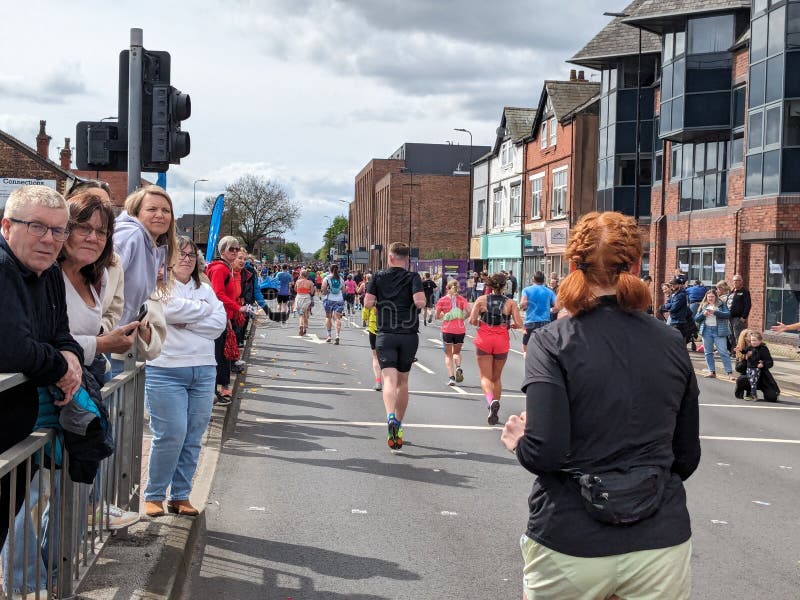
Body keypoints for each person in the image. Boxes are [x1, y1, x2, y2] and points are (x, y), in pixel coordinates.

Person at [501, 211, 700, 600]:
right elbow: (686, 456)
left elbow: (545, 452)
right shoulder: (672, 342)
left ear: (574, 265)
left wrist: (520, 440)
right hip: (659, 542)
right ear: (637, 265)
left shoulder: (551, 342)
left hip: (571, 538)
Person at [0, 186, 84, 550]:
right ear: (7, 226)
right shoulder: (3, 269)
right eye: (36, 226)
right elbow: (12, 350)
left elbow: (61, 332)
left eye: (58, 230)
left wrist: (71, 356)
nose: (48, 239)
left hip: (19, 429)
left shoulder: (48, 272)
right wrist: (61, 365)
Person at [143, 237, 226, 517]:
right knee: (171, 434)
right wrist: (202, 312)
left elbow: (219, 324)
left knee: (192, 437)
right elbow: (165, 311)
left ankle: (180, 495)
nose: (187, 259)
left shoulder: (205, 288)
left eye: (192, 254)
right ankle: (155, 494)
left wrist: (185, 321)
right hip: (165, 369)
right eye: (181, 253)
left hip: (204, 369)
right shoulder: (158, 284)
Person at [364, 242, 425, 449]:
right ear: (406, 259)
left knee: (389, 379)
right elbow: (420, 302)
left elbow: (367, 303)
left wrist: (381, 301)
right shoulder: (413, 277)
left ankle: (390, 417)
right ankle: (398, 425)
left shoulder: (378, 277)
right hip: (408, 335)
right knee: (403, 381)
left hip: (386, 334)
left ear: (390, 257)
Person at [114, 185, 178, 326]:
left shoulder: (152, 247)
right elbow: (103, 284)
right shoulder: (130, 235)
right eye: (152, 209)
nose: (160, 215)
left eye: (166, 210)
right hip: (103, 332)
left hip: (120, 334)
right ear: (136, 213)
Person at [469, 272, 523, 425]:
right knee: (496, 377)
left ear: (490, 286)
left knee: (485, 377)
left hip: (484, 339)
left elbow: (472, 320)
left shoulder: (481, 300)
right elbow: (519, 324)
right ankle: (495, 406)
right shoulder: (511, 303)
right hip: (501, 340)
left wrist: (481, 323)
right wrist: (511, 325)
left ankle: (491, 401)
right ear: (505, 286)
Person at [206, 236, 249, 405]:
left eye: (237, 249)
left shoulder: (225, 268)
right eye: (231, 249)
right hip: (216, 318)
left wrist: (229, 317)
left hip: (222, 317)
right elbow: (218, 294)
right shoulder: (220, 269)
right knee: (217, 356)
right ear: (222, 250)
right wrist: (237, 308)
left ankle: (215, 391)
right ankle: (212, 393)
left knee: (220, 356)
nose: (235, 252)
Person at [693, 288, 734, 379]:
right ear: (706, 297)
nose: (710, 298)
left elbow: (728, 315)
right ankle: (711, 371)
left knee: (723, 352)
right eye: (709, 297)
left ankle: (729, 373)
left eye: (712, 297)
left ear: (716, 297)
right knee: (708, 352)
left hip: (719, 331)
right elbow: (696, 319)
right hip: (706, 330)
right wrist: (703, 314)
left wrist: (715, 312)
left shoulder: (721, 304)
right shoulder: (703, 305)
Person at [435, 279, 469, 386]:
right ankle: (458, 367)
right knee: (457, 353)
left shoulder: (442, 300)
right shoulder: (462, 299)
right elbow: (469, 312)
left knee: (448, 355)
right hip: (460, 330)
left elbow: (437, 316)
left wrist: (444, 316)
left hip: (447, 330)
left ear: (447, 288)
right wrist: (462, 318)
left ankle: (452, 378)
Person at [735, 331, 780, 402]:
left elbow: (770, 362)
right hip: (750, 376)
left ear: (760, 340)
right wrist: (746, 358)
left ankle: (772, 391)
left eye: (755, 340)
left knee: (772, 397)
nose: (753, 342)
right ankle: (750, 392)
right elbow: (738, 368)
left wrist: (763, 364)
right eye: (752, 340)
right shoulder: (747, 349)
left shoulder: (763, 349)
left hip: (762, 377)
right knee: (741, 380)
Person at [519, 271, 557, 355]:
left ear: (533, 279)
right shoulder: (549, 291)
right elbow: (558, 306)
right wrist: (550, 310)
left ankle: (527, 358)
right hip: (545, 323)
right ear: (544, 280)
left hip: (530, 322)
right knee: (544, 347)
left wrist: (522, 306)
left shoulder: (526, 290)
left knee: (525, 347)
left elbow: (523, 304)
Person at [659, 277, 694, 347]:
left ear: (680, 285)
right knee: (674, 340)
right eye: (672, 285)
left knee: (678, 341)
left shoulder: (681, 295)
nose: (673, 286)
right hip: (675, 320)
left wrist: (669, 306)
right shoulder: (674, 294)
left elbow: (673, 308)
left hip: (679, 322)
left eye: (675, 284)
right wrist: (669, 305)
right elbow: (667, 304)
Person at [321, 264, 345, 344]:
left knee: (328, 317)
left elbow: (323, 289)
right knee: (337, 318)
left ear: (329, 269)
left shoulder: (327, 278)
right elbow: (344, 290)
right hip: (339, 300)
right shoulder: (341, 278)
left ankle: (329, 335)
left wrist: (325, 293)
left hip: (329, 299)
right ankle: (337, 335)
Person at [362, 303, 383, 391]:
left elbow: (366, 308)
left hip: (373, 328)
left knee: (375, 356)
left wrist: (365, 319)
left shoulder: (372, 299)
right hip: (389, 330)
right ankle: (392, 381)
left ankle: (378, 381)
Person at [728, 274, 751, 340]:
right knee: (730, 337)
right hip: (729, 318)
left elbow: (748, 305)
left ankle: (740, 347)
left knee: (738, 337)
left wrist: (744, 317)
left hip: (738, 319)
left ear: (741, 281)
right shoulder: (732, 291)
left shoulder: (745, 292)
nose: (735, 282)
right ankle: (732, 347)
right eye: (734, 280)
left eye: (737, 280)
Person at [294, 270, 315, 336]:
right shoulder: (310, 282)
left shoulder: (298, 281)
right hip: (306, 298)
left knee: (301, 314)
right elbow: (312, 292)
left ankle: (301, 325)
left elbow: (295, 289)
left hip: (299, 297)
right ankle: (305, 328)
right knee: (305, 313)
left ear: (301, 275)